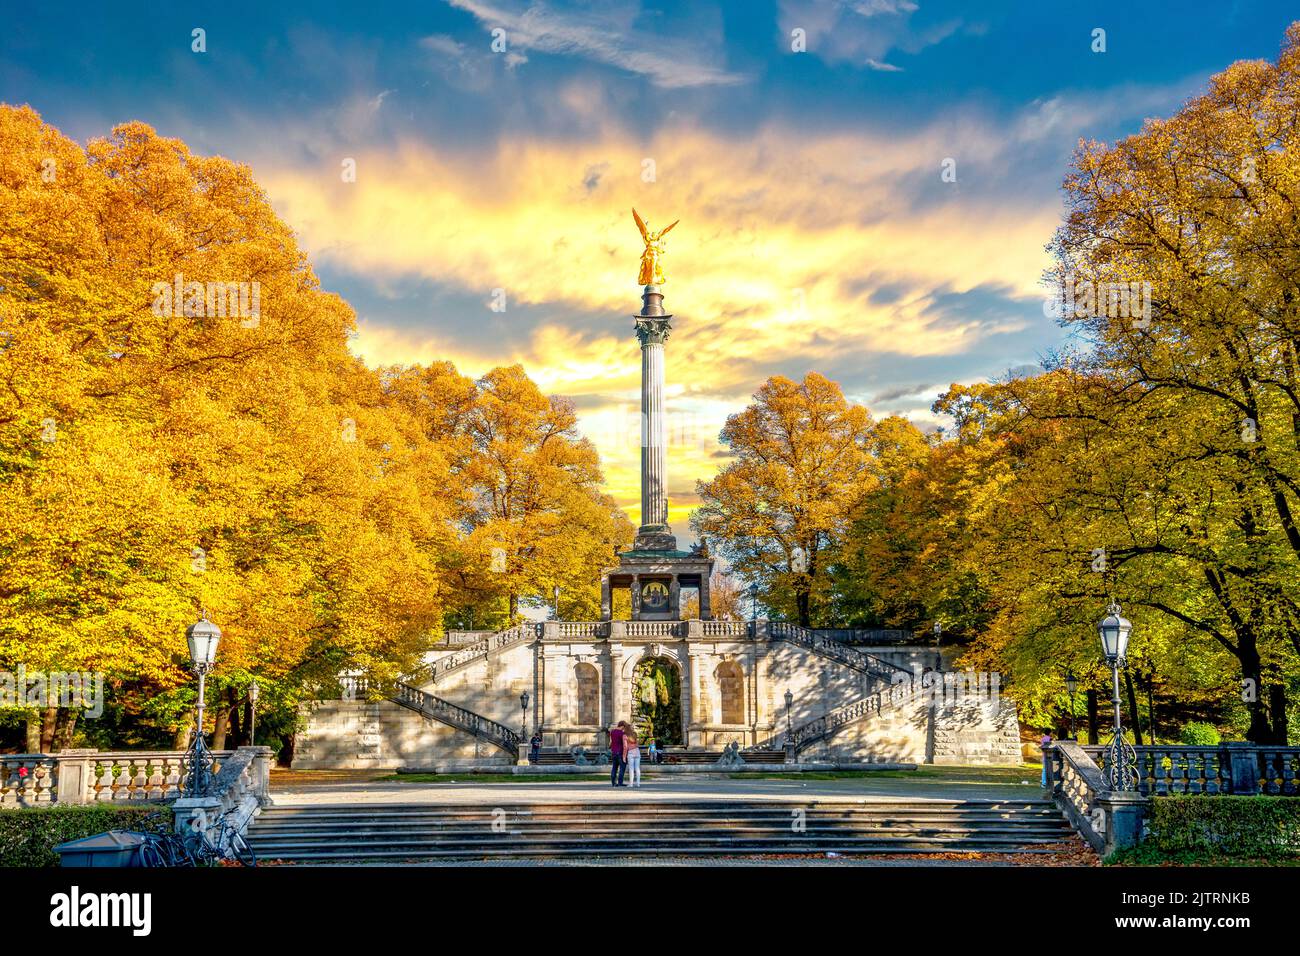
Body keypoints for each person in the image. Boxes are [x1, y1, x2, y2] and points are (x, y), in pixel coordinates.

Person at [609, 721, 627, 787]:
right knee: (622, 768)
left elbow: (610, 743)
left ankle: (613, 783)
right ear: (622, 726)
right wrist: (625, 756)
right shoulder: (622, 733)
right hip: (620, 753)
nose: (624, 729)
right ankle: (620, 782)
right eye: (624, 727)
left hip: (614, 752)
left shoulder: (612, 732)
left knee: (614, 768)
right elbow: (625, 745)